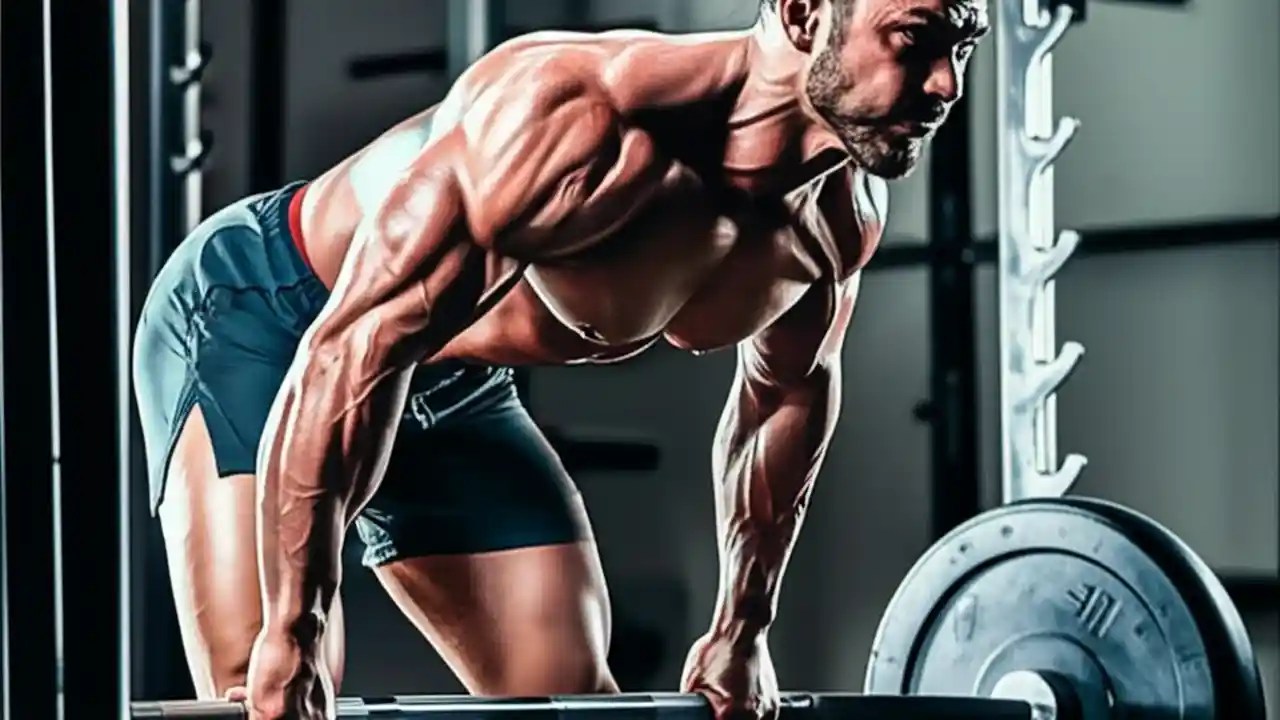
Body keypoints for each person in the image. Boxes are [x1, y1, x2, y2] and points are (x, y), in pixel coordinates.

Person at [132, 0, 988, 717]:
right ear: (803, 14)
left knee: (571, 702)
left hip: (449, 379)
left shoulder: (836, 218)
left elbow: (782, 405)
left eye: (963, 46)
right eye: (915, 40)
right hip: (270, 312)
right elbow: (351, 350)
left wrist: (741, 629)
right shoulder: (580, 116)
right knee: (267, 693)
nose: (947, 85)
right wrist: (296, 627)